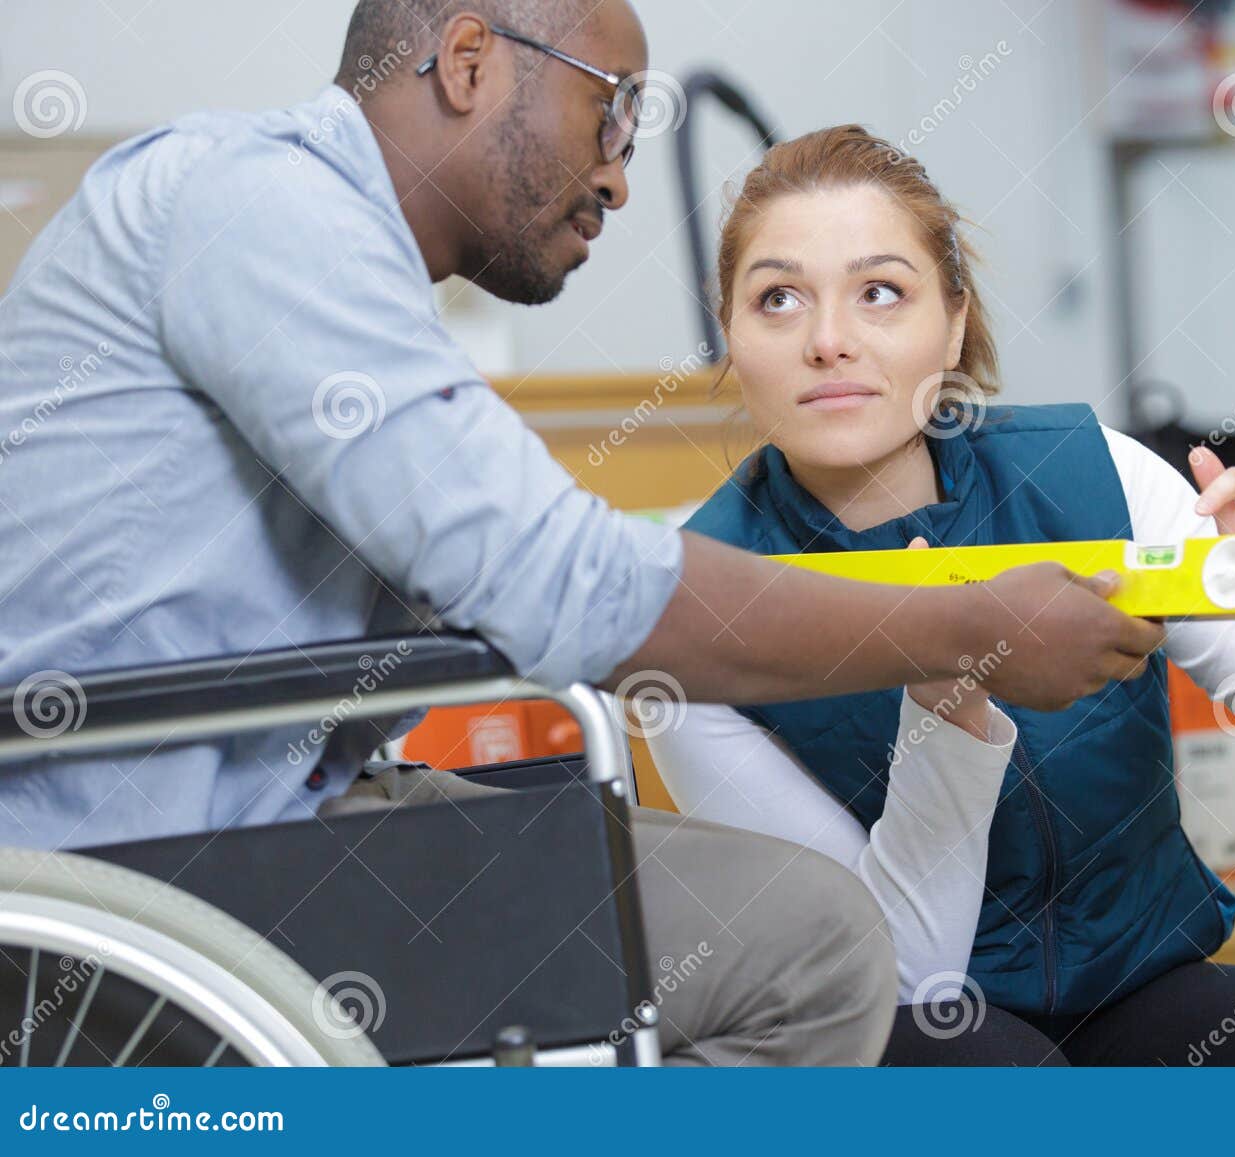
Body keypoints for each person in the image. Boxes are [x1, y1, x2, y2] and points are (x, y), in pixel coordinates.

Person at [0, 3, 1166, 1066]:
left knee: (801, 932)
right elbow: (559, 582)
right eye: (609, 112)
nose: (617, 176)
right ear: (467, 63)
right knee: (811, 950)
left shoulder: (346, 274)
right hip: (148, 874)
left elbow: (516, 563)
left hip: (277, 817)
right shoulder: (255, 203)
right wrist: (961, 627)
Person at [647, 124, 1235, 1065]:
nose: (829, 341)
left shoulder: (1098, 476)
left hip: (1141, 980)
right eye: (779, 299)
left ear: (953, 321)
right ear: (731, 330)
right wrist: (942, 711)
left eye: (880, 292)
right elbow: (894, 970)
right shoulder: (693, 610)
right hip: (904, 1016)